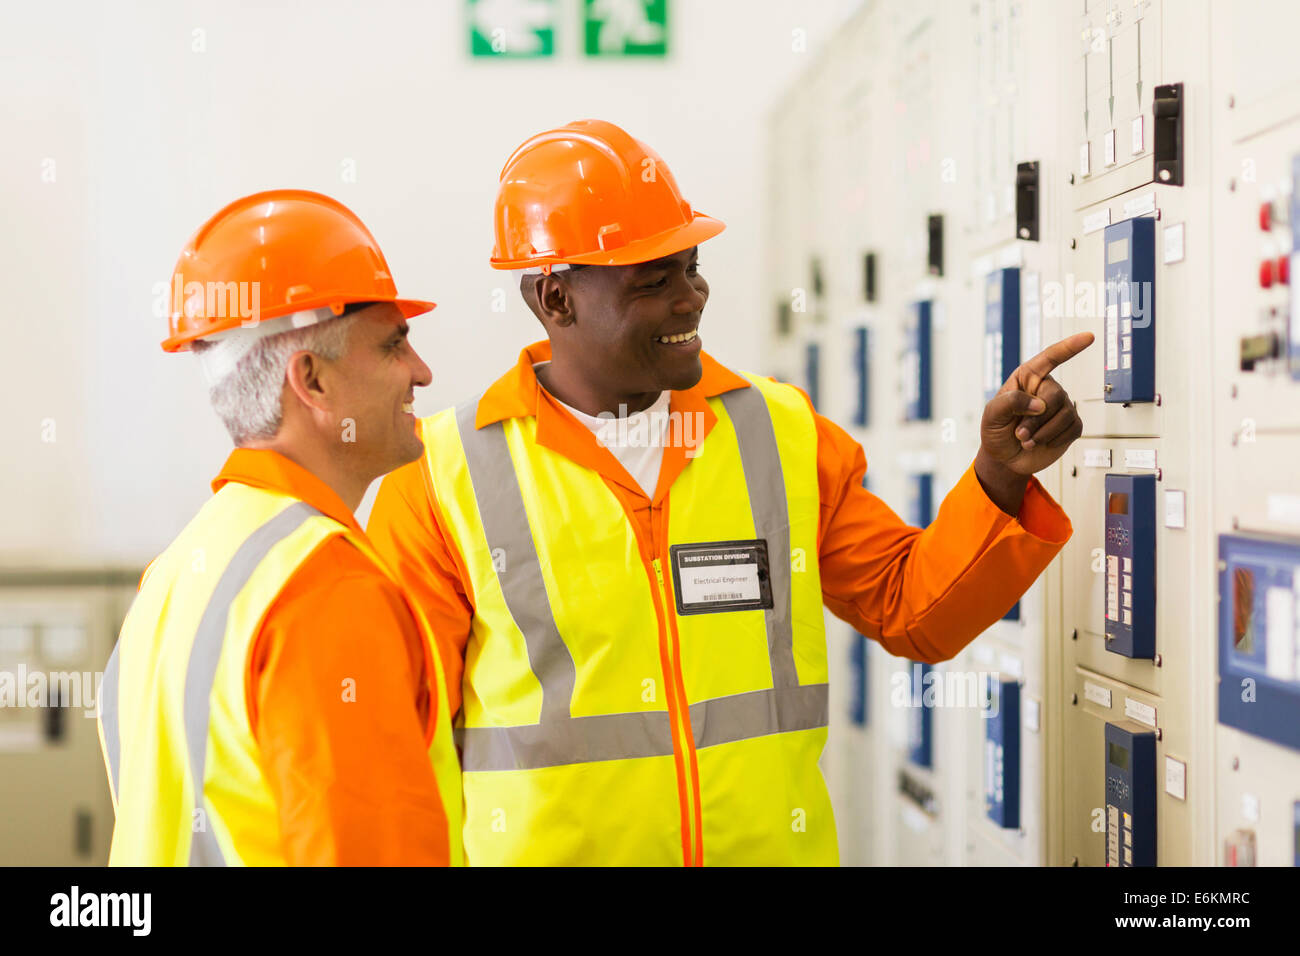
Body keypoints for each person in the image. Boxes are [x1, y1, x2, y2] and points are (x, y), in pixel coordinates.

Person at [368, 120, 1091, 865]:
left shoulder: (779, 433)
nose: (692, 299)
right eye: (654, 279)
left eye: (692, 266)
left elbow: (914, 612)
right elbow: (399, 746)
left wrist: (1000, 476)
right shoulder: (442, 476)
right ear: (556, 298)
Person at [97, 189, 461, 866]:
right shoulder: (326, 589)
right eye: (393, 344)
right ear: (312, 382)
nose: (422, 372)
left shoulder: (174, 576)